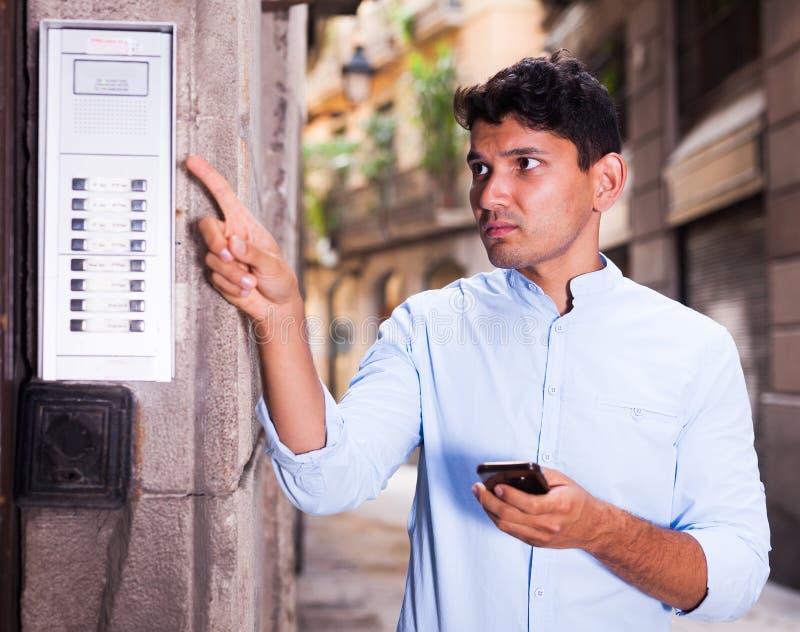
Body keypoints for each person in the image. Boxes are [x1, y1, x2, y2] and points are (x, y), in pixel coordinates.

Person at [187, 50, 770, 631]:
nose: (490, 195)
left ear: (606, 181)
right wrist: (279, 315)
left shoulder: (695, 348)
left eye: (525, 163)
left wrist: (599, 530)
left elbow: (734, 579)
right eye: (481, 168)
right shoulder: (428, 327)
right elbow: (327, 478)